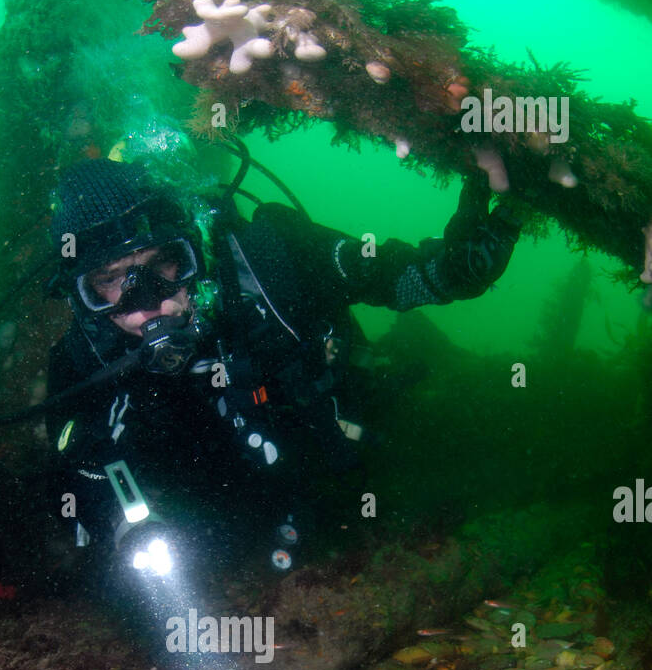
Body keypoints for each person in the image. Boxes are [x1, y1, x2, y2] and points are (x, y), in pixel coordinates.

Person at [45, 154, 521, 580]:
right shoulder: (83, 363)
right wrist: (123, 526)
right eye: (108, 281)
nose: (145, 300)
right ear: (80, 297)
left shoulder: (270, 256)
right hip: (221, 535)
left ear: (192, 249)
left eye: (164, 265)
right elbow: (75, 474)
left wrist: (456, 272)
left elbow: (386, 276)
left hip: (354, 472)